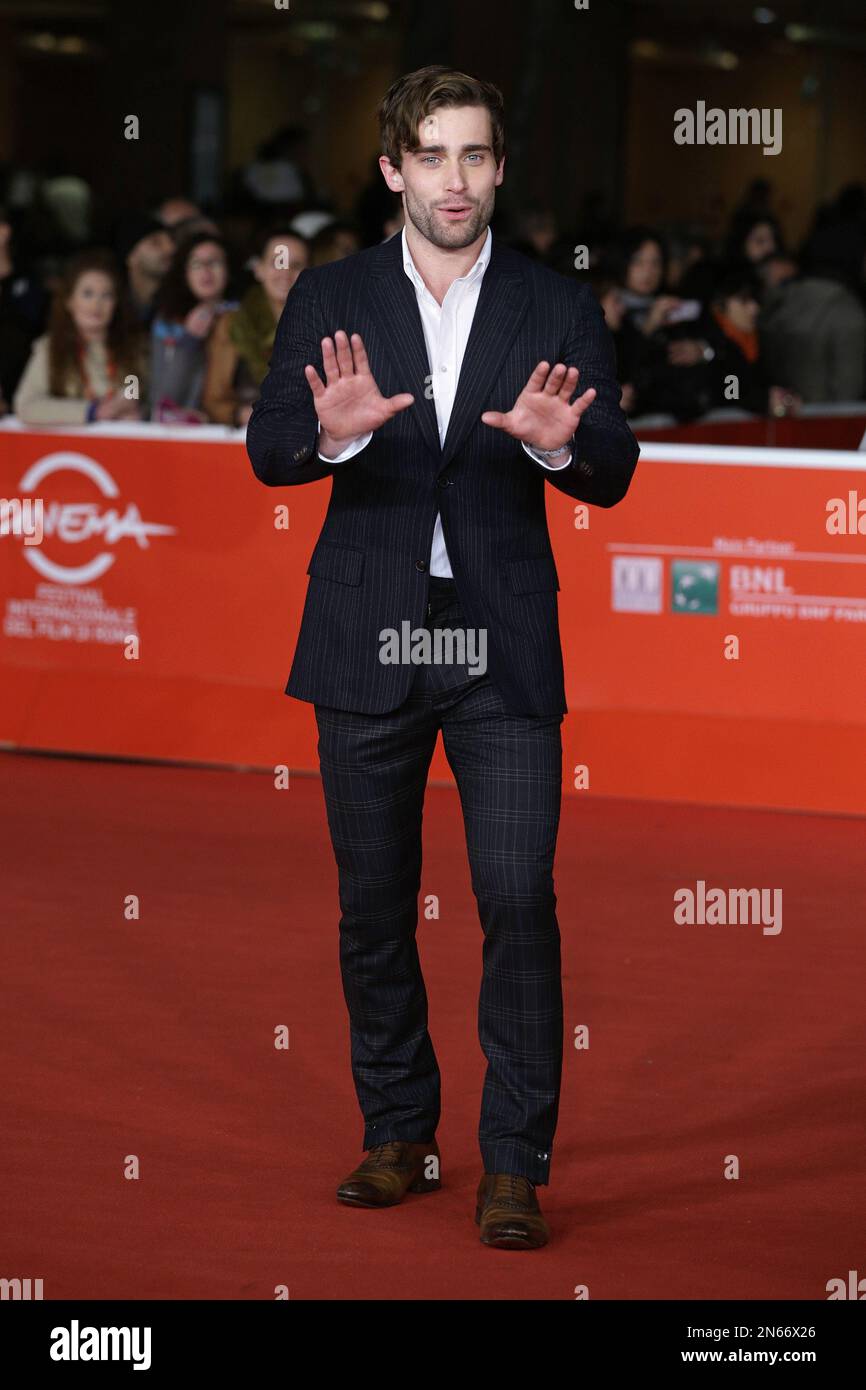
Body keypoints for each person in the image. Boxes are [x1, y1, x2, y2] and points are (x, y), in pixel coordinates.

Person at [246, 64, 639, 1250]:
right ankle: (399, 1132)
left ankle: (513, 1160)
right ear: (392, 170)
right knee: (372, 908)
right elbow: (268, 449)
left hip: (498, 641)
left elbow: (613, 465)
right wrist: (326, 431)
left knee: (515, 898)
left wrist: (559, 453)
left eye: (473, 155)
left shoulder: (555, 303)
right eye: (430, 155)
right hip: (365, 629)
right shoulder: (329, 294)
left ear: (499, 168)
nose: (453, 179)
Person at [13, 249, 145, 425]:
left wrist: (130, 405)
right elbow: (26, 406)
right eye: (87, 294)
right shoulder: (50, 348)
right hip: (71, 448)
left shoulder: (133, 347)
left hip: (122, 444)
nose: (96, 304)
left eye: (107, 295)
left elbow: (135, 390)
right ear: (69, 301)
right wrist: (92, 412)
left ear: (116, 303)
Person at [203, 227, 309, 426]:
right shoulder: (232, 324)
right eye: (277, 262)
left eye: (296, 265)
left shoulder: (326, 323)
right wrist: (240, 415)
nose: (285, 273)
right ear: (258, 269)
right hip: (242, 442)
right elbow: (214, 398)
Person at [149, 232, 236, 421]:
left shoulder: (242, 318)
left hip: (229, 427)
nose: (206, 271)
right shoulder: (166, 322)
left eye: (214, 262)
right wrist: (189, 342)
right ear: (184, 272)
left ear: (229, 270)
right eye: (196, 264)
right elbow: (162, 398)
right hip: (178, 434)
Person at [115, 213, 175, 329]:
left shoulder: (181, 300)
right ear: (131, 257)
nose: (170, 249)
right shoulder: (113, 306)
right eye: (156, 243)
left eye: (171, 241)